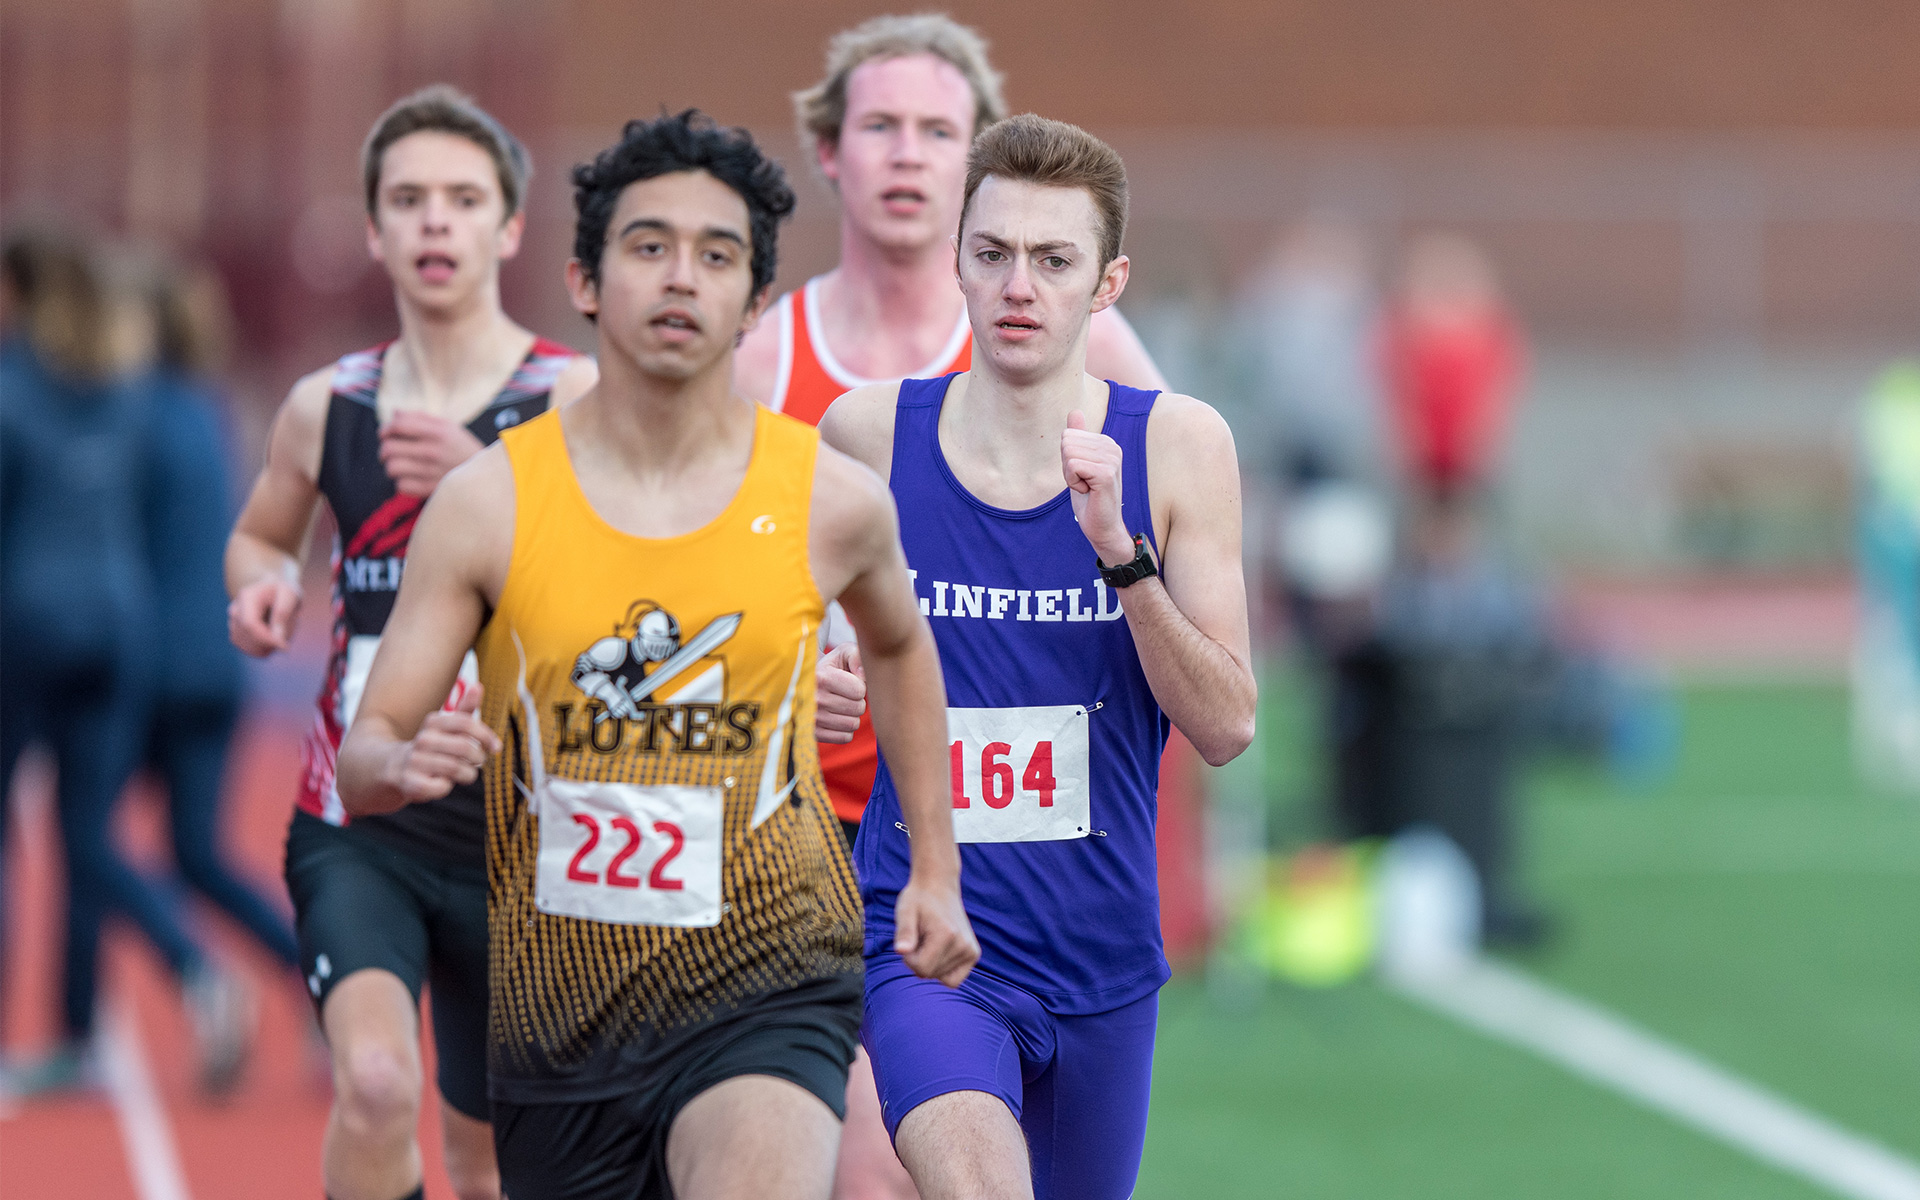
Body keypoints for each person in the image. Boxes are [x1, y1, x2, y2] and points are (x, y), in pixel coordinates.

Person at [335, 109, 977, 1200]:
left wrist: (935, 868)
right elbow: (367, 751)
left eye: (717, 255)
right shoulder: (488, 503)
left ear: (754, 302)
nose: (683, 276)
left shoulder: (829, 499)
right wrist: (397, 765)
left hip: (769, 975)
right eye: (649, 247)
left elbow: (904, 648)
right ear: (585, 282)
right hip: (560, 1008)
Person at [735, 23, 1168, 1190]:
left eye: (938, 131)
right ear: (830, 152)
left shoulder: (1095, 342)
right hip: (805, 840)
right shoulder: (768, 359)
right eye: (881, 126)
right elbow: (718, 593)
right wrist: (795, 674)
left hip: (1014, 865)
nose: (909, 156)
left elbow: (1181, 535)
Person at [819, 115, 1255, 1200]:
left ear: (1106, 283)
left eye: (1053, 261)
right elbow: (804, 648)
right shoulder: (867, 437)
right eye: (995, 253)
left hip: (1104, 961)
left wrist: (1123, 559)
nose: (1020, 286)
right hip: (930, 941)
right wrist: (811, 690)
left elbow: (1227, 725)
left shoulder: (1178, 448)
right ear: (957, 261)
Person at [224, 86, 594, 1200]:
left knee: (484, 1158)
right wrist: (264, 589)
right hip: (357, 819)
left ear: (510, 227)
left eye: (464, 199)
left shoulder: (571, 399)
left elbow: (619, 597)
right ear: (375, 231)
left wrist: (489, 487)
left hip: (519, 833)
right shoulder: (324, 405)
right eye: (410, 201)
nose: (437, 222)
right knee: (377, 1084)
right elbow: (258, 538)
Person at [1, 227, 251, 1096]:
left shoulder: (46, 394)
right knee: (109, 838)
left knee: (68, 840)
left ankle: (90, 1025)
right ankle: (86, 1032)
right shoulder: (159, 399)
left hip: (58, 639)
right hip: (141, 640)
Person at [138, 257, 303, 988]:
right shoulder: (209, 408)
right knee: (198, 855)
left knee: (87, 843)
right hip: (217, 657)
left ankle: (197, 973)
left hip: (156, 665)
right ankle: (314, 971)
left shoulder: (135, 415)